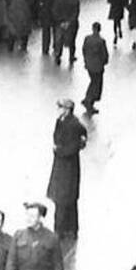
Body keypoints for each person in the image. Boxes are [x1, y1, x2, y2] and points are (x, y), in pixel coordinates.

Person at [47, 98, 87, 241]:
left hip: (69, 167)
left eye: (60, 108)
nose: (57, 110)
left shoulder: (73, 124)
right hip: (62, 165)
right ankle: (70, 228)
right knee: (66, 198)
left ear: (67, 110)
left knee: (63, 199)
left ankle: (60, 230)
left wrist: (59, 150)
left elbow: (75, 145)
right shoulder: (61, 121)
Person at [5, 200, 65, 270]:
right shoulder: (18, 236)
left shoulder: (52, 238)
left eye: (32, 216)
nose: (28, 219)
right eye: (27, 215)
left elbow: (58, 267)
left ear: (40, 218)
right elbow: (11, 264)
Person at [81, 22, 109, 115]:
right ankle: (89, 101)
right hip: (98, 66)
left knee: (93, 82)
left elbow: (83, 50)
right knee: (96, 84)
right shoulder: (101, 41)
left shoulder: (87, 39)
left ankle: (88, 100)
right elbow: (104, 55)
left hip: (89, 65)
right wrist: (104, 62)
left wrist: (86, 61)